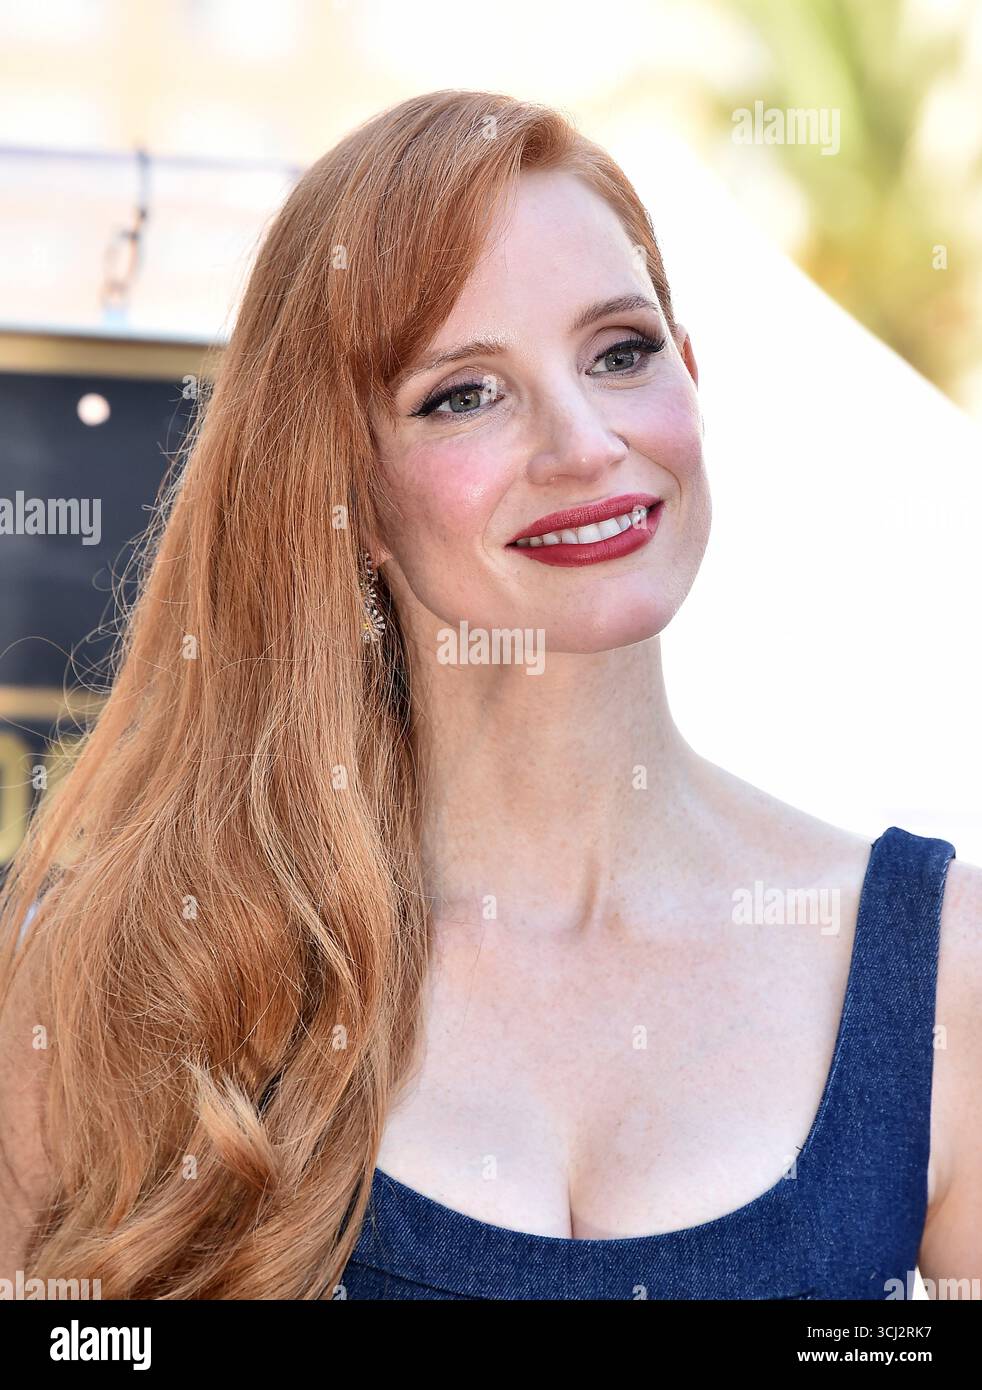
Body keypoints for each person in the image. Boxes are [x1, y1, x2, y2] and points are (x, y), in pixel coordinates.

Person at [1, 89, 979, 1302]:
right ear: (342, 492)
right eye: (463, 393)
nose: (582, 443)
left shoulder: (946, 965)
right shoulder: (113, 973)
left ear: (690, 372)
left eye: (619, 352)